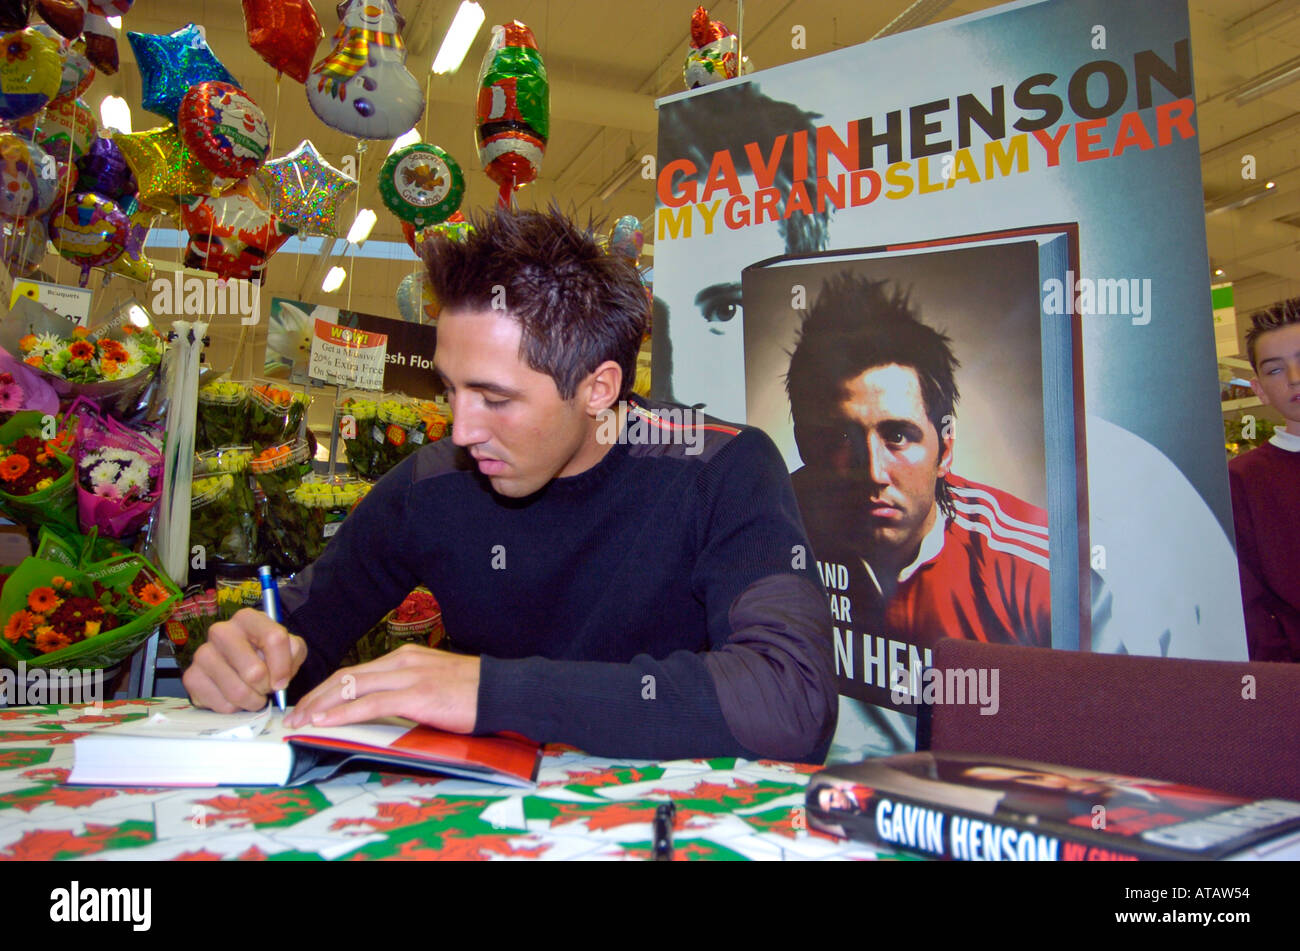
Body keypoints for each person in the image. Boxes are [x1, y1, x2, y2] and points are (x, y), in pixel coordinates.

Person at [182, 206, 838, 764]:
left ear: (598, 388)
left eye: (495, 398)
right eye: (451, 389)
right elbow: (301, 634)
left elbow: (790, 696)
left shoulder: (722, 468)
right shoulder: (429, 485)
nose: (461, 429)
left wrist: (492, 692)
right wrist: (249, 654)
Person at [785, 272, 1052, 666]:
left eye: (897, 436)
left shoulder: (1031, 566)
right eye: (842, 439)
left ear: (945, 448)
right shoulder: (772, 527)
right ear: (806, 445)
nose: (874, 472)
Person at [1228, 298, 1300, 662]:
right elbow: (1248, 604)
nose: (1294, 378)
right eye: (1275, 370)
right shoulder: (1242, 480)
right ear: (1259, 389)